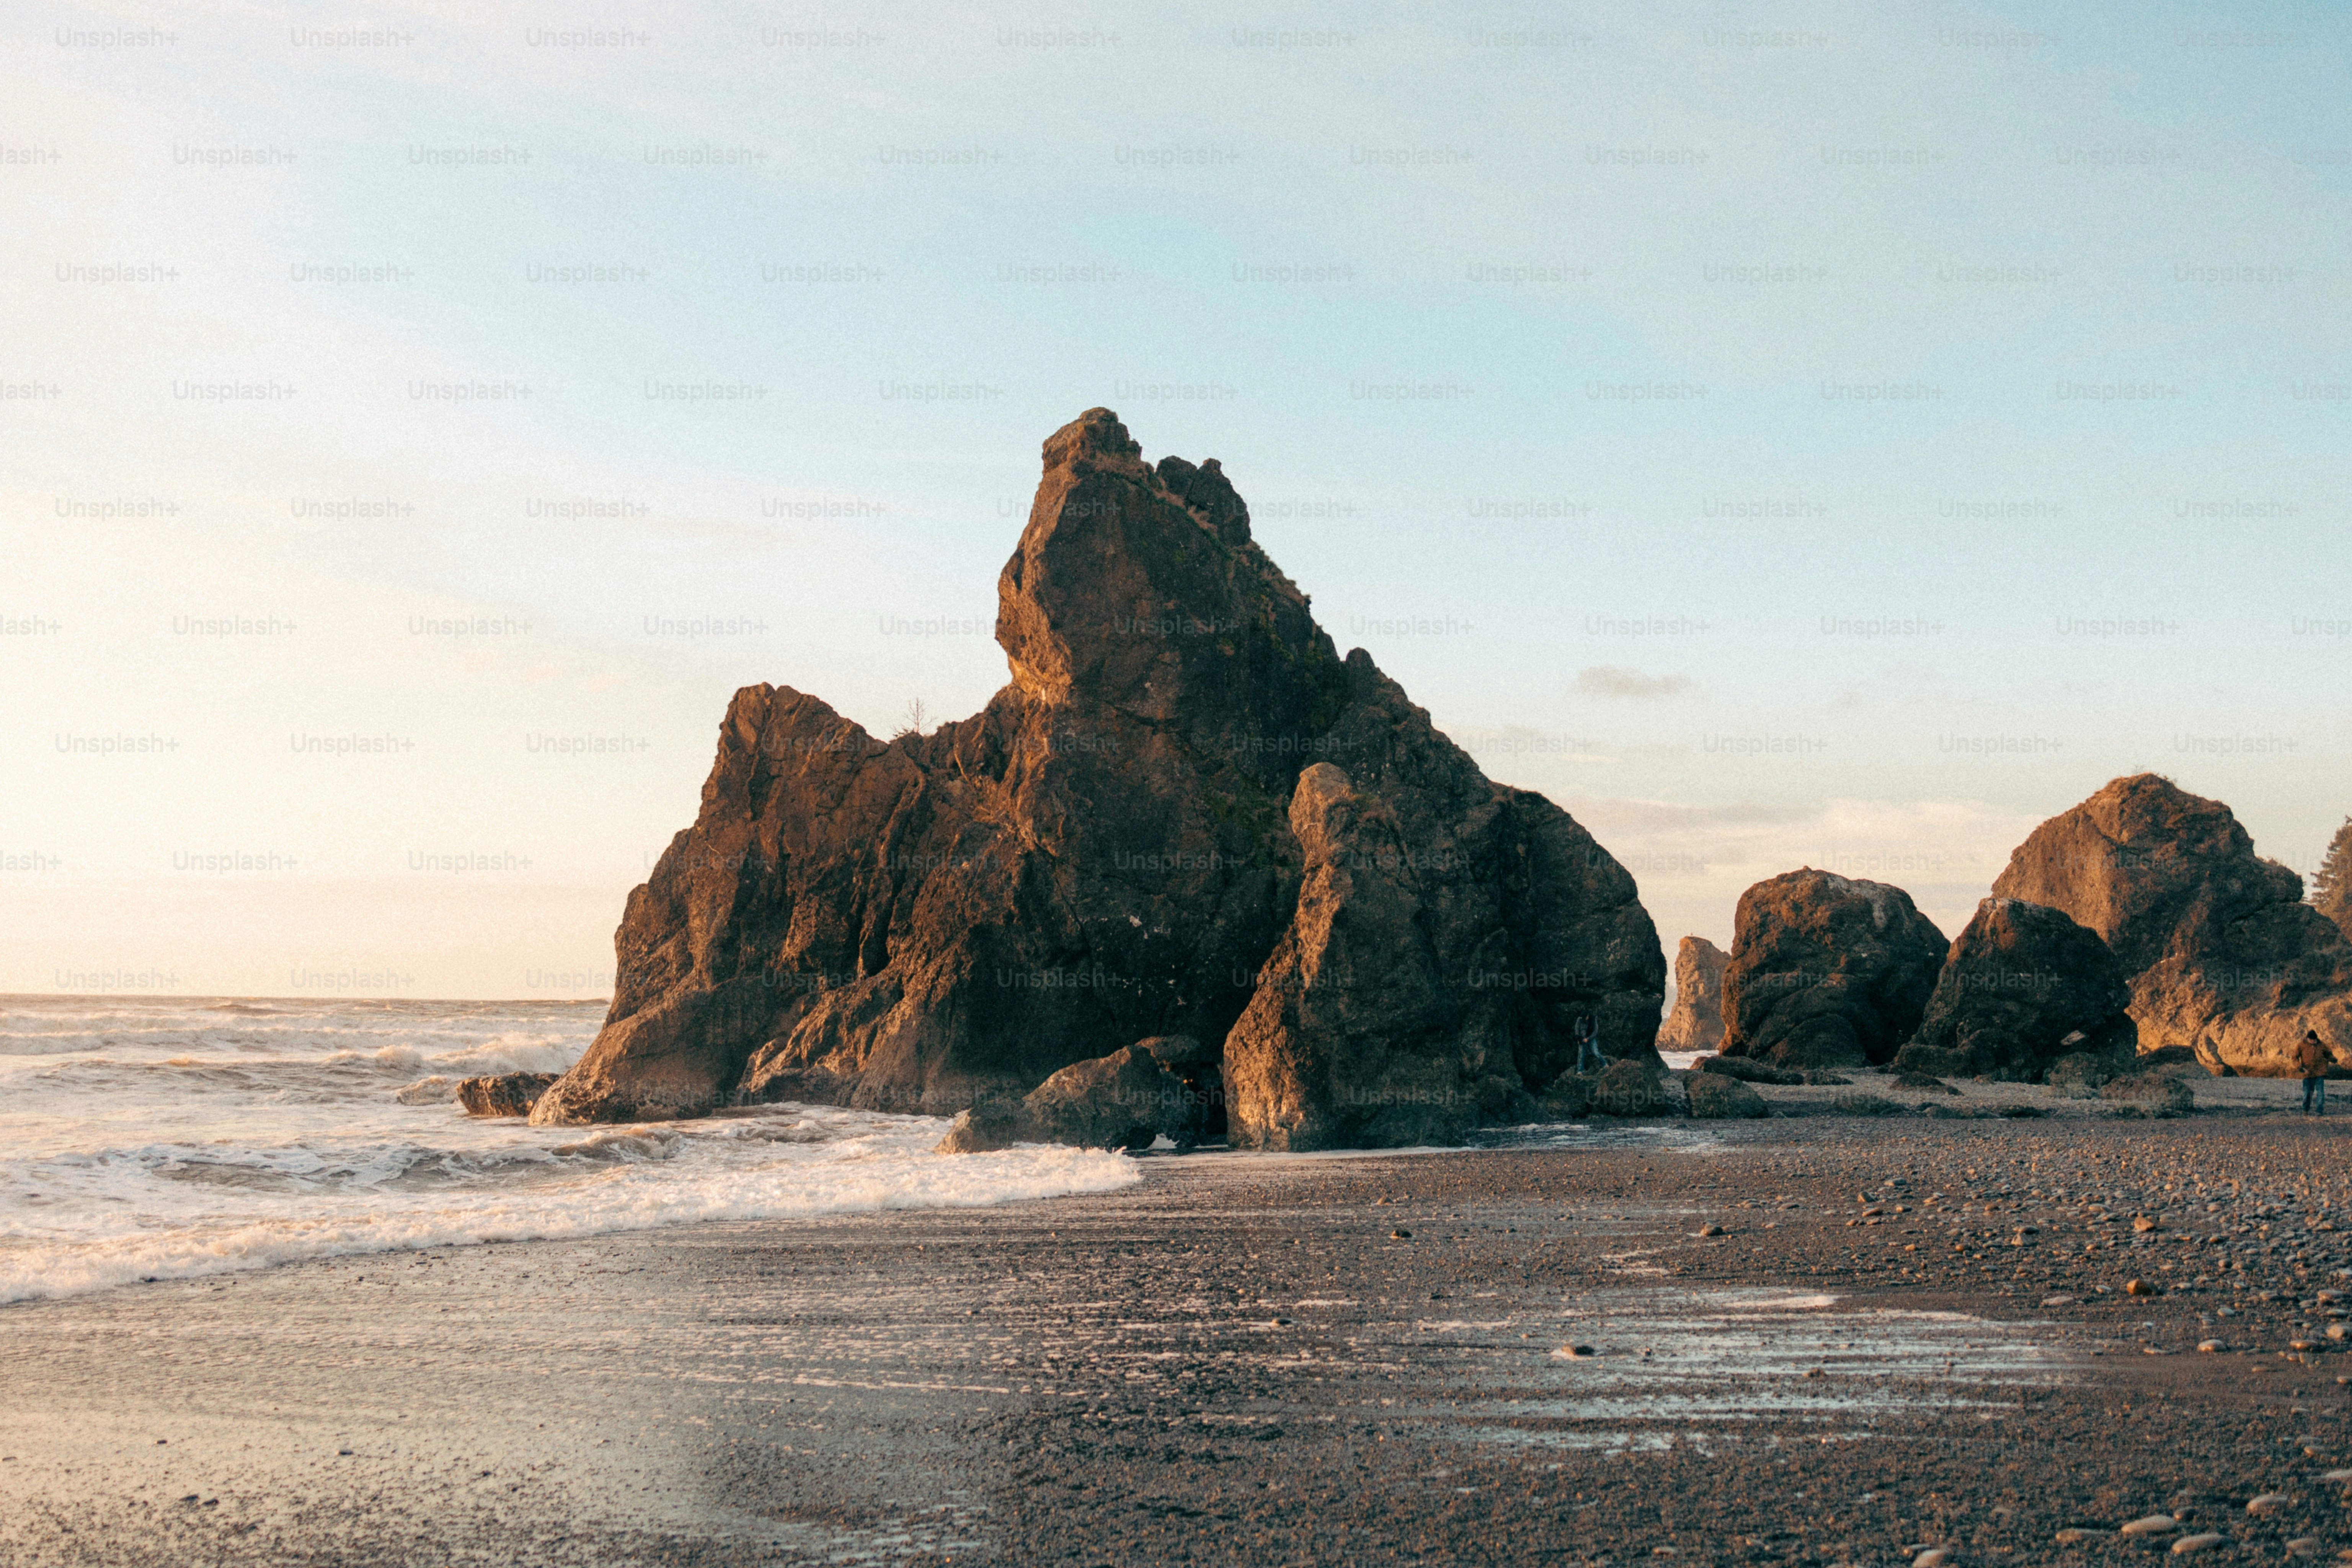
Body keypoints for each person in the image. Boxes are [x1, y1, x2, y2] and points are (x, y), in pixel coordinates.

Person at [2299, 1028, 2330, 1116]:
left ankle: (2319, 1111)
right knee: (2308, 1093)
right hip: (2307, 1073)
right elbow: (2294, 1057)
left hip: (2320, 1072)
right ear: (2308, 1039)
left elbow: (2328, 1054)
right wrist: (2299, 1067)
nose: (2313, 1041)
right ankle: (2305, 1110)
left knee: (2320, 1092)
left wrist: (2332, 1059)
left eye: (2314, 1040)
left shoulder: (2322, 1045)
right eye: (2311, 1040)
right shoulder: (2301, 1045)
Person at [1572, 1011, 1602, 1075]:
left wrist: (1588, 1039)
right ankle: (1580, 1071)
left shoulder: (1593, 1020)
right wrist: (1578, 1039)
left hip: (1591, 1039)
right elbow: (1577, 1029)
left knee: (1596, 1053)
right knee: (1581, 1055)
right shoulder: (1580, 1019)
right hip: (1582, 1039)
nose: (1586, 1018)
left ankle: (1605, 1064)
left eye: (1587, 1017)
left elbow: (1595, 1031)